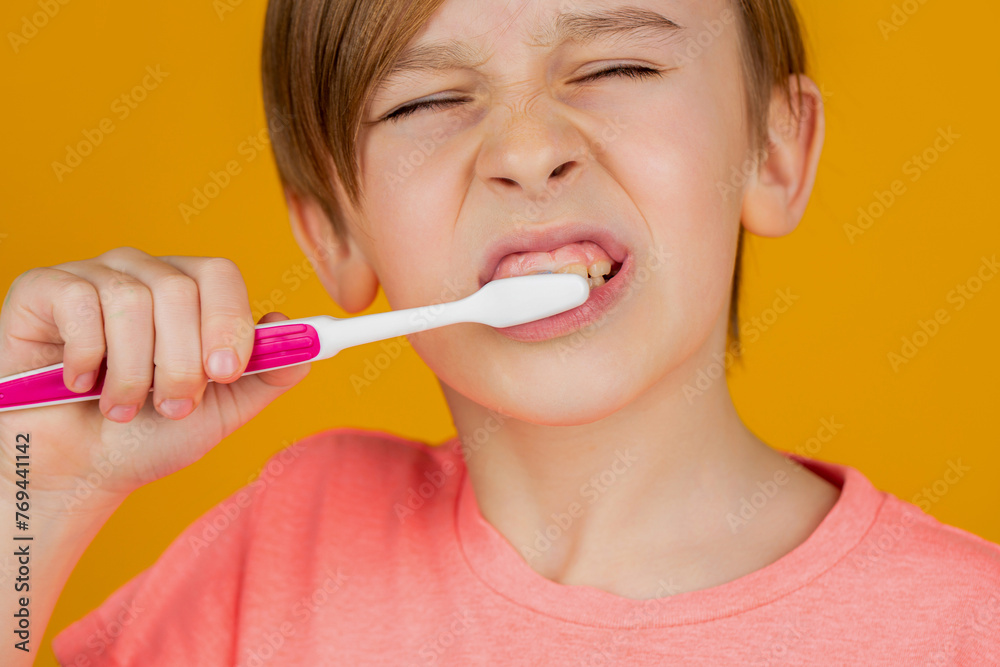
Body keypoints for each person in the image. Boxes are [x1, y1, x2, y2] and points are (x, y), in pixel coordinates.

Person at [1, 0, 996, 664]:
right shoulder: (277, 556)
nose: (526, 150)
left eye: (615, 64)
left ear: (773, 150)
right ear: (336, 232)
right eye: (427, 99)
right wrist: (29, 494)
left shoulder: (966, 627)